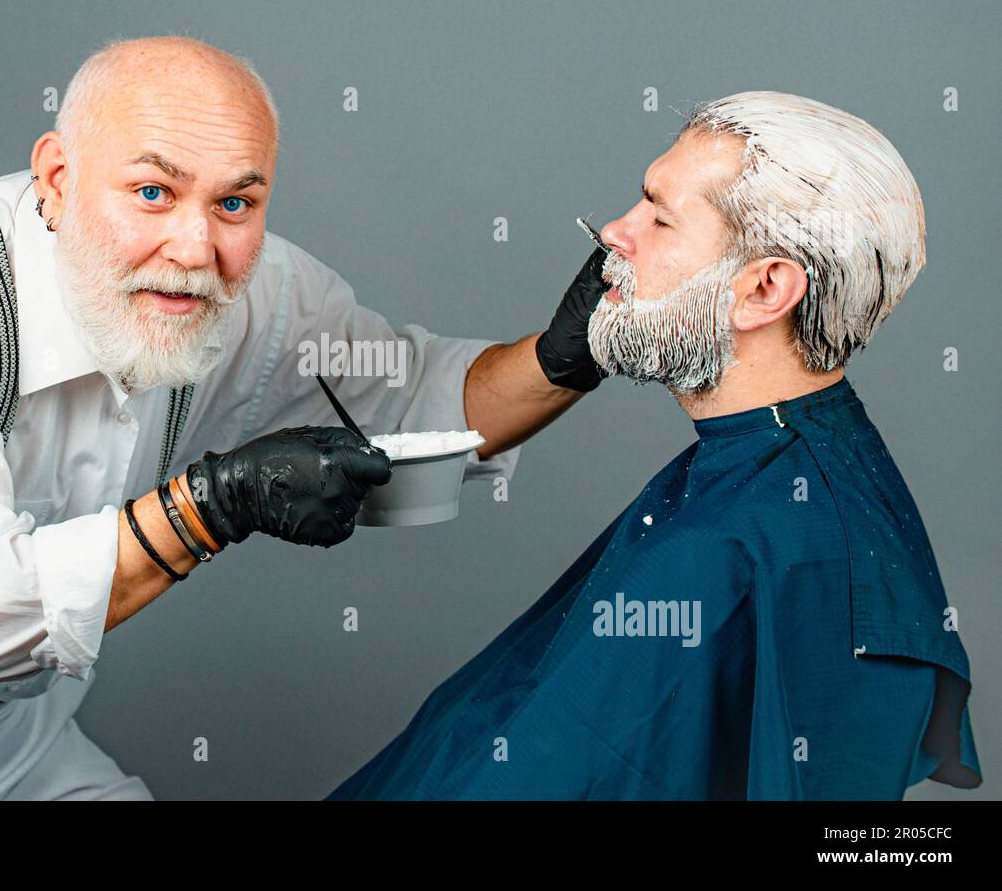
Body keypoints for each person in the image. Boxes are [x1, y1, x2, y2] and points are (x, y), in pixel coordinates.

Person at [0, 36, 610, 799]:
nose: (194, 247)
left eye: (236, 202)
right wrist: (212, 508)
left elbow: (414, 403)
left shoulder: (252, 288)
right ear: (56, 179)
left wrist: (567, 356)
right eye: (151, 192)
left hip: (11, 745)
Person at [329, 91, 982, 800]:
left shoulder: (761, 547)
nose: (614, 231)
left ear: (765, 289)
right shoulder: (778, 470)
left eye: (660, 217)